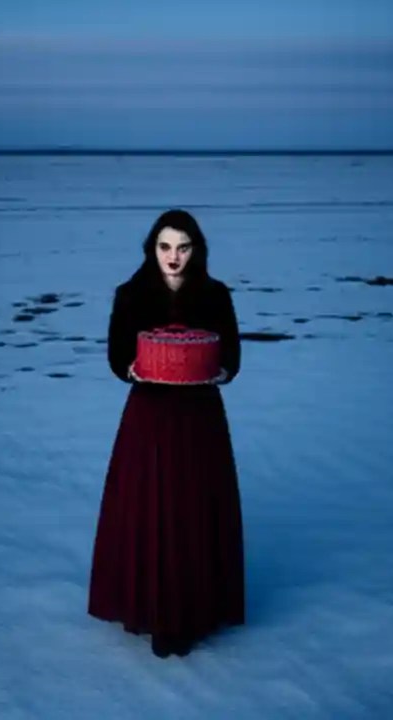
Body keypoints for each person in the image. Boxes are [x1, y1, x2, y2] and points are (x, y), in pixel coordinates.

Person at [87, 209, 246, 658]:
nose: (173, 256)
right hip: (150, 416)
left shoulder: (215, 295)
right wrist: (132, 368)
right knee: (151, 506)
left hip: (200, 418)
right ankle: (153, 611)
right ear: (151, 249)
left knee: (196, 507)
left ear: (197, 250)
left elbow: (232, 355)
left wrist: (221, 371)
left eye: (183, 247)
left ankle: (197, 611)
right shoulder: (131, 293)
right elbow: (118, 354)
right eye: (164, 247)